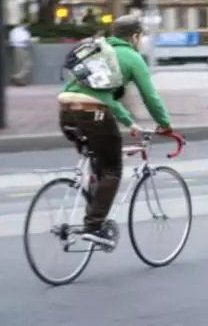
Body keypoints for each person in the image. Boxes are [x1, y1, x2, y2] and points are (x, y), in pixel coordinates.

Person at [57, 14, 173, 247]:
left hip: (66, 110)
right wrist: (165, 124)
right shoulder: (131, 56)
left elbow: (104, 96)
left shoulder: (98, 50)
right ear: (135, 36)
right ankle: (94, 225)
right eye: (141, 37)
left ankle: (93, 211)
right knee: (112, 168)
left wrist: (129, 122)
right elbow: (150, 97)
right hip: (94, 114)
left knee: (99, 163)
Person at [9, 19, 33, 86]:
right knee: (27, 64)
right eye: (28, 24)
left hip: (16, 48)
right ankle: (17, 77)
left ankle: (19, 82)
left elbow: (11, 41)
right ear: (24, 23)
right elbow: (25, 40)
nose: (28, 26)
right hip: (22, 48)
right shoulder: (22, 31)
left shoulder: (13, 31)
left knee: (18, 66)